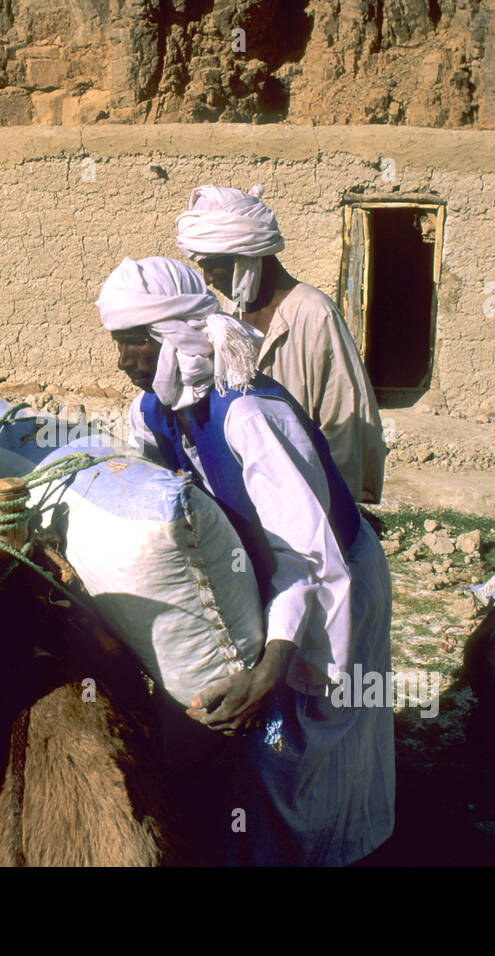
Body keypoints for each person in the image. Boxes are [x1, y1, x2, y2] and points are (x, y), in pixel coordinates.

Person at [96, 256, 395, 865]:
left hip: (333, 579)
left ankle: (349, 851)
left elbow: (306, 557)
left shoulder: (252, 416)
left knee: (310, 748)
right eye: (118, 347)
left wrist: (269, 670)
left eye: (136, 348)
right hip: (265, 576)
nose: (124, 362)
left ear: (173, 338)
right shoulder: (151, 411)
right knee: (264, 758)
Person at [175, 185, 387, 504]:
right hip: (255, 493)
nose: (207, 278)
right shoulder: (233, 315)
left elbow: (346, 425)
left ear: (245, 256)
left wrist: (340, 511)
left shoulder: (315, 314)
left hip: (309, 499)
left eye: (211, 264)